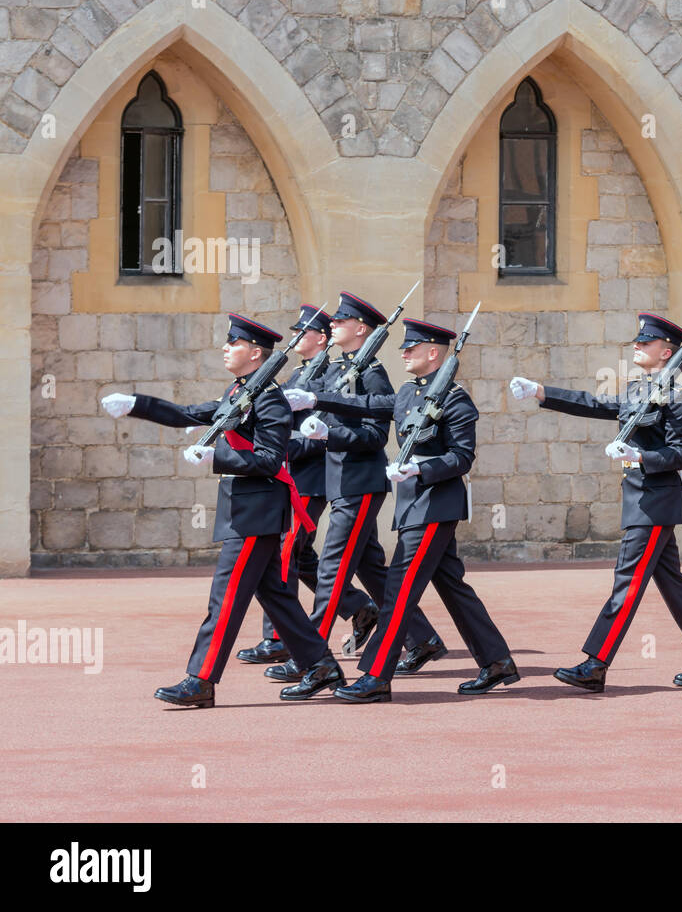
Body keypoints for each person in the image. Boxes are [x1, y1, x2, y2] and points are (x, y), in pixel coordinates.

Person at [100, 314, 345, 707]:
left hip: (257, 512)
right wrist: (136, 405)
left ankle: (200, 680)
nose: (225, 349)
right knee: (276, 596)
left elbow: (269, 459)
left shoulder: (269, 399)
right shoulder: (239, 391)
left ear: (254, 352)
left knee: (226, 596)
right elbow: (190, 413)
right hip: (245, 510)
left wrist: (219, 456)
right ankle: (320, 666)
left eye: (233, 344)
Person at [285, 318, 518, 700]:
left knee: (399, 591)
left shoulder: (456, 399)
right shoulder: (410, 392)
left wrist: (421, 468)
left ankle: (377, 676)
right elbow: (370, 403)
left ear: (433, 353)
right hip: (412, 505)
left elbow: (462, 457)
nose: (404, 353)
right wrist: (317, 400)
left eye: (412, 349)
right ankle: (497, 662)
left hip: (436, 505)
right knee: (453, 587)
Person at [509, 313, 682, 692]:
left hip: (655, 503)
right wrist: (541, 392)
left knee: (627, 583)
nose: (636, 347)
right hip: (641, 500)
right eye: (637, 342)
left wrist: (640, 457)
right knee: (673, 584)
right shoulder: (635, 390)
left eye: (645, 344)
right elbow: (595, 404)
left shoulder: (677, 398)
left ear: (666, 352)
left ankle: (596, 664)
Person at [263, 291, 445, 684]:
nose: (333, 325)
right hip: (338, 481)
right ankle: (422, 637)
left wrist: (330, 434)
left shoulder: (370, 372)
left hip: (360, 482)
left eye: (341, 322)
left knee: (332, 570)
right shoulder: (335, 369)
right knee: (372, 570)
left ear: (361, 329)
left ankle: (309, 655)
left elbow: (375, 434)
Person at [235, 303, 365, 664]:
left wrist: (285, 447)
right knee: (304, 555)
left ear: (320, 338)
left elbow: (321, 429)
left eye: (301, 332)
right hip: (295, 472)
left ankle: (278, 637)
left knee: (285, 552)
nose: (294, 338)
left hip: (312, 474)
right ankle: (359, 606)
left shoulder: (325, 375)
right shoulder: (300, 373)